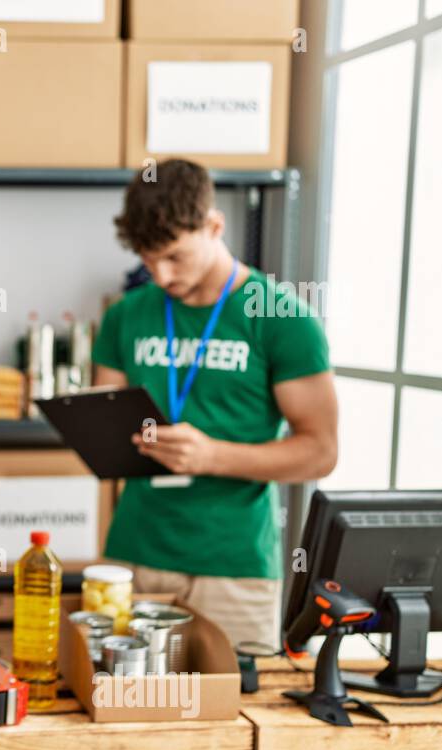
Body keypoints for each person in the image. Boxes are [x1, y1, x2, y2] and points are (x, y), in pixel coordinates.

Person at [92, 159, 338, 651]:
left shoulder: (282, 317)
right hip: (137, 557)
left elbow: (320, 452)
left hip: (235, 569)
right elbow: (104, 419)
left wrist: (211, 457)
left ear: (214, 226)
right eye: (148, 258)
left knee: (235, 717)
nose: (160, 275)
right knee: (130, 712)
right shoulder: (125, 316)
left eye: (175, 257)